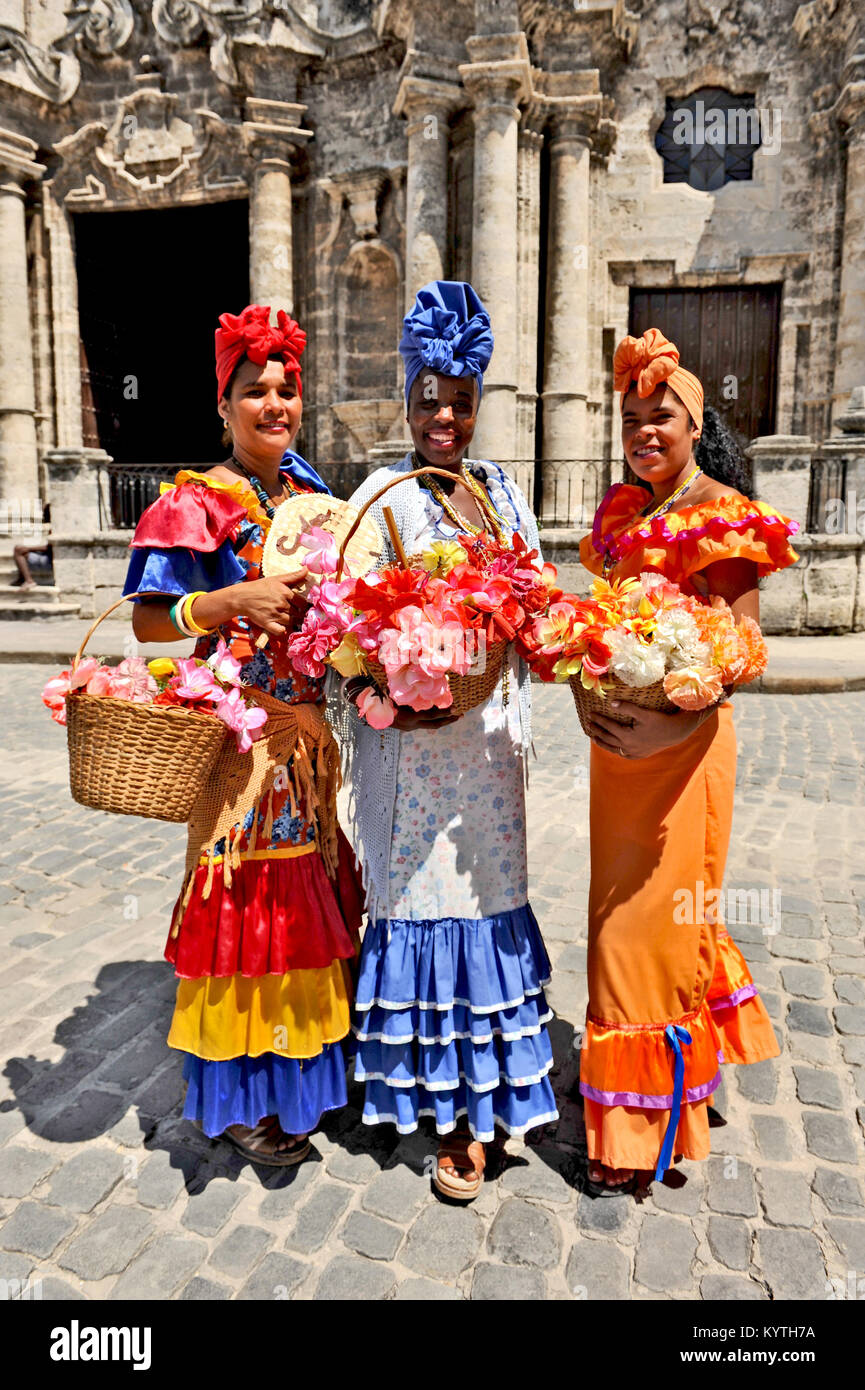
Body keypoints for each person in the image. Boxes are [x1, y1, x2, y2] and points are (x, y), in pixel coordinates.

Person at [122, 304, 363, 1165]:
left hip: (304, 747)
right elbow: (150, 621)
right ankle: (240, 1098)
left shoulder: (314, 504)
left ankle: (302, 1076)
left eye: (286, 390)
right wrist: (227, 603)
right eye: (254, 391)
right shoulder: (196, 500)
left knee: (305, 901)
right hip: (234, 747)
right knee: (243, 907)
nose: (274, 404)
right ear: (222, 407)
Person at [337, 281, 558, 1200]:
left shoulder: (500, 490)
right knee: (422, 903)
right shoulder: (379, 496)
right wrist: (381, 693)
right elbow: (340, 628)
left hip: (486, 747)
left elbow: (536, 597)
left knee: (486, 902)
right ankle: (442, 1103)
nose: (444, 416)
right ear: (408, 399)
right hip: (411, 749)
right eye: (429, 397)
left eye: (460, 400)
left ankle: (489, 1104)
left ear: (477, 404)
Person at [578, 328, 799, 1192]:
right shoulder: (624, 517)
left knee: (642, 934)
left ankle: (636, 1134)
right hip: (616, 760)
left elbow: (744, 647)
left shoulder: (722, 517)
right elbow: (597, 631)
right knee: (628, 925)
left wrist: (681, 711)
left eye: (659, 415)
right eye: (631, 418)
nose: (643, 431)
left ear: (693, 423)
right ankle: (671, 1077)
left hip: (683, 758)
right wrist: (586, 687)